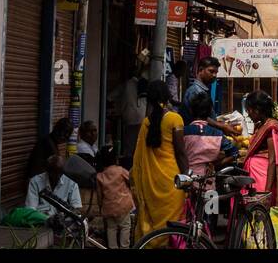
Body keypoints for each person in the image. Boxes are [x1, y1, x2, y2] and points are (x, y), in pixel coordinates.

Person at [131, 80, 187, 239]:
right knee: (172, 230)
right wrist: (187, 177)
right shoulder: (175, 119)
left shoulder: (146, 122)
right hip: (172, 183)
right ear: (168, 96)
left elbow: (139, 157)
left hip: (150, 183)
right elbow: (181, 153)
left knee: (153, 228)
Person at [243, 90, 278, 212]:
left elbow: (272, 159)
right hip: (256, 177)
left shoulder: (271, 127)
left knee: (261, 212)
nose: (248, 114)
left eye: (249, 110)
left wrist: (267, 191)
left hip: (262, 178)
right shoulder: (262, 125)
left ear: (257, 110)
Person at [88, 146, 135, 248]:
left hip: (108, 208)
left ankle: (112, 247)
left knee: (111, 228)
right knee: (125, 227)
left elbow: (100, 196)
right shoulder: (121, 171)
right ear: (116, 159)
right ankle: (124, 247)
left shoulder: (100, 176)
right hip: (123, 206)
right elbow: (132, 180)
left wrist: (101, 207)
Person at [182, 93, 239, 174]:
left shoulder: (184, 132)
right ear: (210, 113)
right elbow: (235, 153)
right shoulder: (218, 134)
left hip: (187, 179)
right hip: (209, 181)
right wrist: (215, 165)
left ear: (191, 111)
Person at [183, 57, 240, 137]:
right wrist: (222, 126)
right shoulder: (195, 91)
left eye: (216, 72)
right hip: (196, 140)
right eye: (211, 71)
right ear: (200, 70)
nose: (214, 75)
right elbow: (201, 118)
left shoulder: (203, 90)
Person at [25, 154, 83, 225]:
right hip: (41, 223)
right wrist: (46, 219)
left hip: (63, 223)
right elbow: (30, 210)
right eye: (54, 173)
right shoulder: (35, 181)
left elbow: (76, 208)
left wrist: (64, 217)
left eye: (60, 173)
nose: (58, 176)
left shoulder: (71, 182)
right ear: (47, 171)